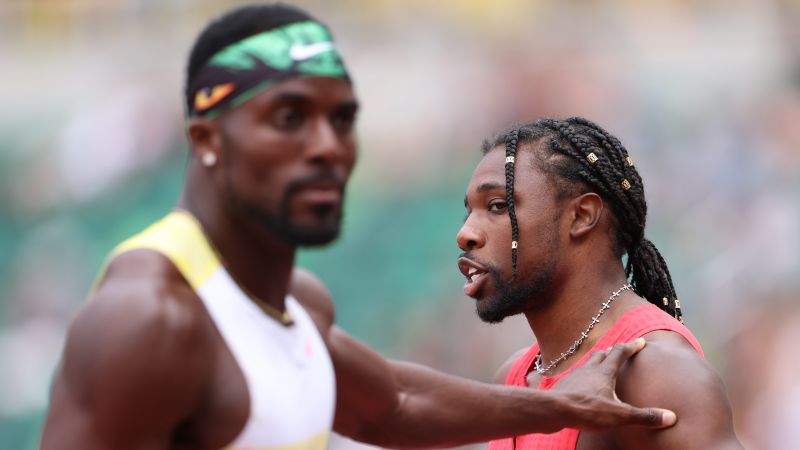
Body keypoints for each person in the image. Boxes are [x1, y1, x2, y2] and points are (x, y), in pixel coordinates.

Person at [40, 5, 676, 450]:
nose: (327, 146)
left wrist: (560, 402)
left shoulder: (293, 305)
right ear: (207, 139)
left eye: (341, 119)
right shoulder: (148, 319)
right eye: (289, 117)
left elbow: (395, 404)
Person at [457, 117, 743, 450]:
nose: (465, 234)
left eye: (497, 206)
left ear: (580, 216)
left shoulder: (655, 372)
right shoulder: (513, 379)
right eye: (469, 214)